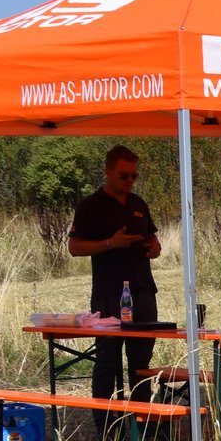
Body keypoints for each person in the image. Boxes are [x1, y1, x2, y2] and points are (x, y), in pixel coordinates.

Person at [65, 145, 162, 402]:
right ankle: (106, 425)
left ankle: (141, 424)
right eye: (123, 175)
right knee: (108, 360)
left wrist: (153, 248)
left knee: (141, 362)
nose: (129, 181)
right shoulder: (90, 206)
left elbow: (154, 240)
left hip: (142, 291)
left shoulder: (138, 203)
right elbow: (74, 247)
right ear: (107, 172)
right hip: (109, 294)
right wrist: (110, 243)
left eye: (134, 176)